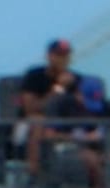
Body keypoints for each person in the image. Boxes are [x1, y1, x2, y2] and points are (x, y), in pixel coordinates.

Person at [18, 39, 79, 175]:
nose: (63, 60)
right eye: (59, 56)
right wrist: (58, 88)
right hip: (28, 126)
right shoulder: (34, 76)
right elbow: (31, 109)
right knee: (39, 121)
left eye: (66, 56)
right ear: (49, 56)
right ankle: (34, 173)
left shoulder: (75, 79)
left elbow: (81, 108)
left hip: (62, 125)